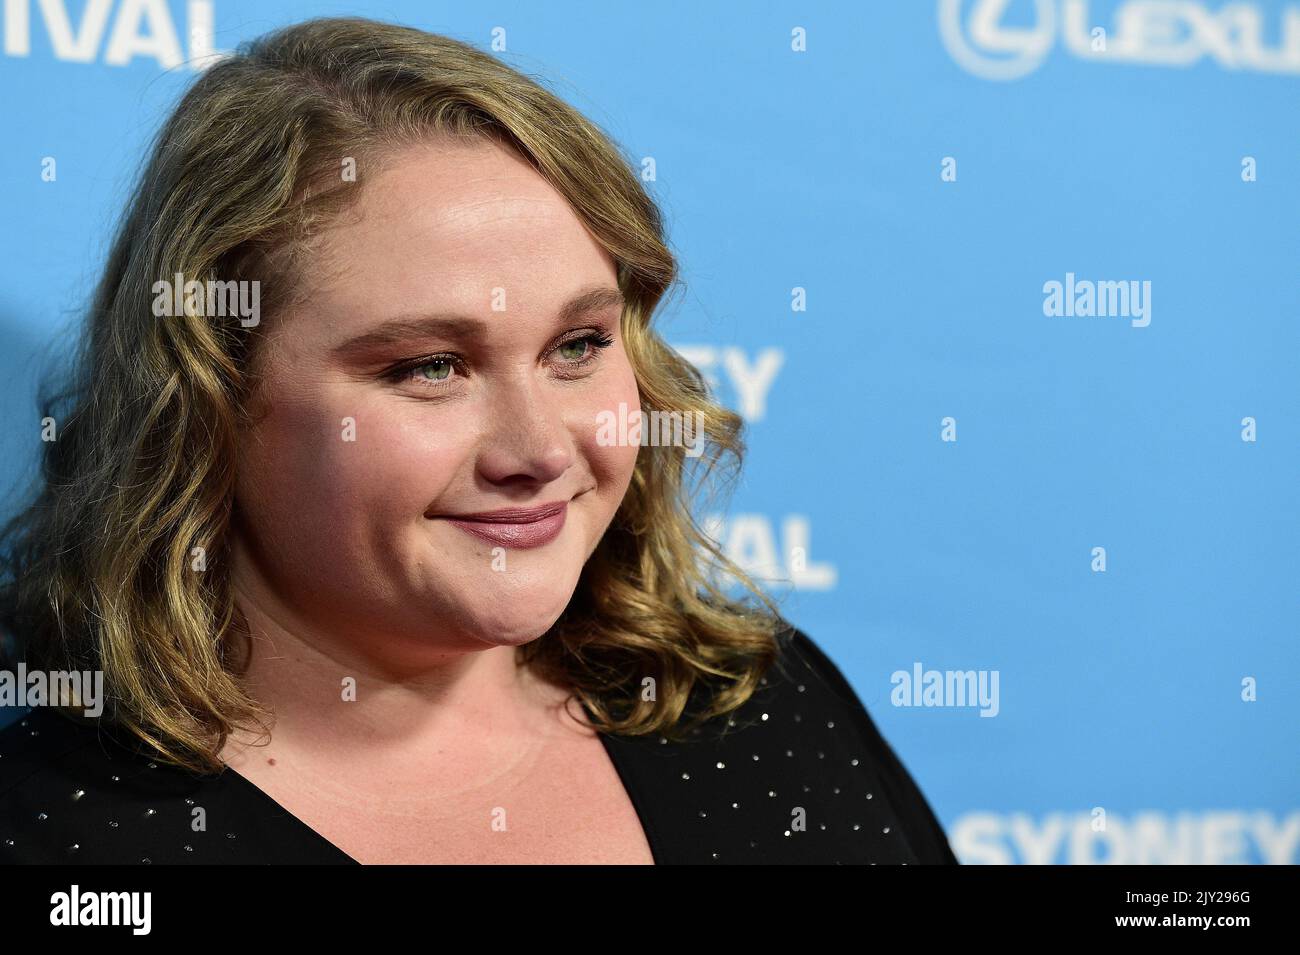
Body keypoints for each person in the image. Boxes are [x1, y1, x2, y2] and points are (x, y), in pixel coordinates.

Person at [0, 17, 956, 865]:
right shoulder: (61, 839)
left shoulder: (755, 705)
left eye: (579, 346)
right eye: (429, 366)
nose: (538, 448)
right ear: (207, 394)